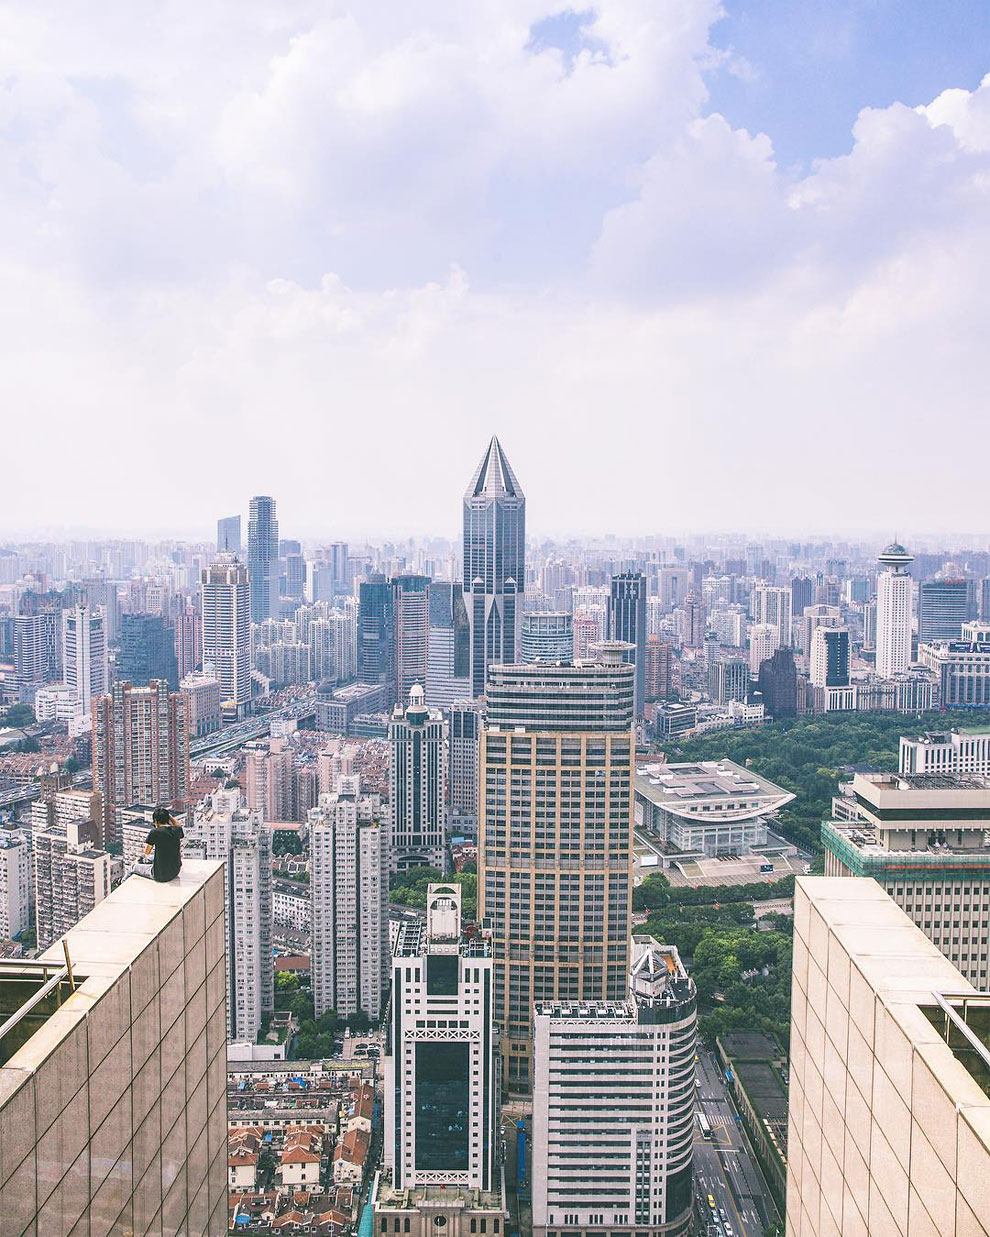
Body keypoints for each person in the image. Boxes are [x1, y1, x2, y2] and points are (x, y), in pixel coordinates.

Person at [143, 806, 185, 882]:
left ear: (155, 821)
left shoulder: (155, 832)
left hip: (160, 875)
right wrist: (168, 816)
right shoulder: (177, 830)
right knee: (149, 859)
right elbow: (177, 825)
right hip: (175, 872)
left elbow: (146, 852)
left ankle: (121, 882)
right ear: (168, 819)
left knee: (133, 867)